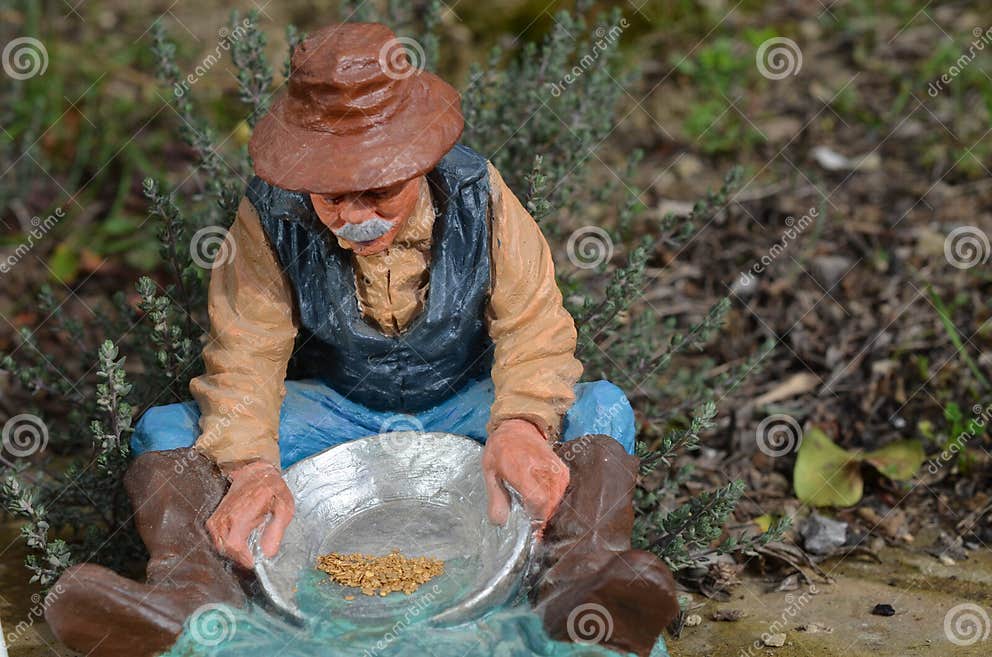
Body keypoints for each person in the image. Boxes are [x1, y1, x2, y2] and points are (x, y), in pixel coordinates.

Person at [45, 22, 679, 657]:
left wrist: (520, 424)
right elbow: (245, 351)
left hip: (462, 405)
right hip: (336, 412)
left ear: (421, 161)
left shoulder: (480, 196)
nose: (354, 216)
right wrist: (251, 467)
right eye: (331, 196)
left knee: (600, 407)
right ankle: (190, 602)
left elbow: (534, 326)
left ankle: (576, 588)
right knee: (167, 431)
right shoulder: (267, 216)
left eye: (378, 190)